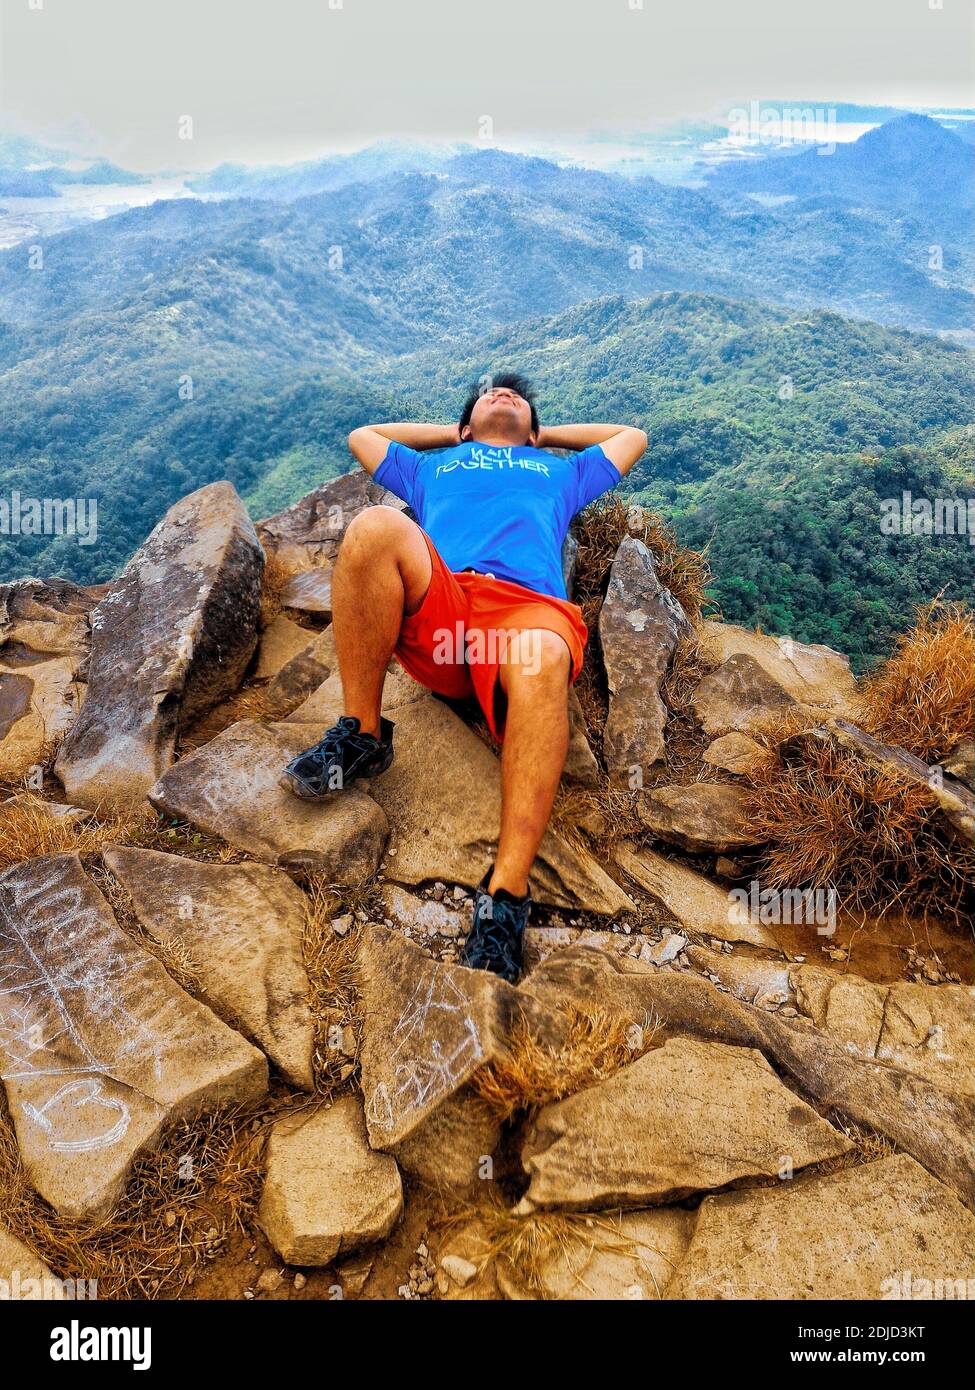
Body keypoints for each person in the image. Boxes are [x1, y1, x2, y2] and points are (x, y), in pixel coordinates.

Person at [282, 373, 647, 981]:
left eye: (517, 395)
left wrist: (538, 437)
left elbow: (632, 436)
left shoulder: (561, 473)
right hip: (447, 609)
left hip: (527, 613)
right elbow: (362, 436)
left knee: (545, 658)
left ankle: (504, 897)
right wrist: (453, 437)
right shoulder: (433, 468)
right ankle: (362, 734)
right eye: (488, 394)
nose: (502, 394)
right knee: (374, 527)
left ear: (533, 427)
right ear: (465, 422)